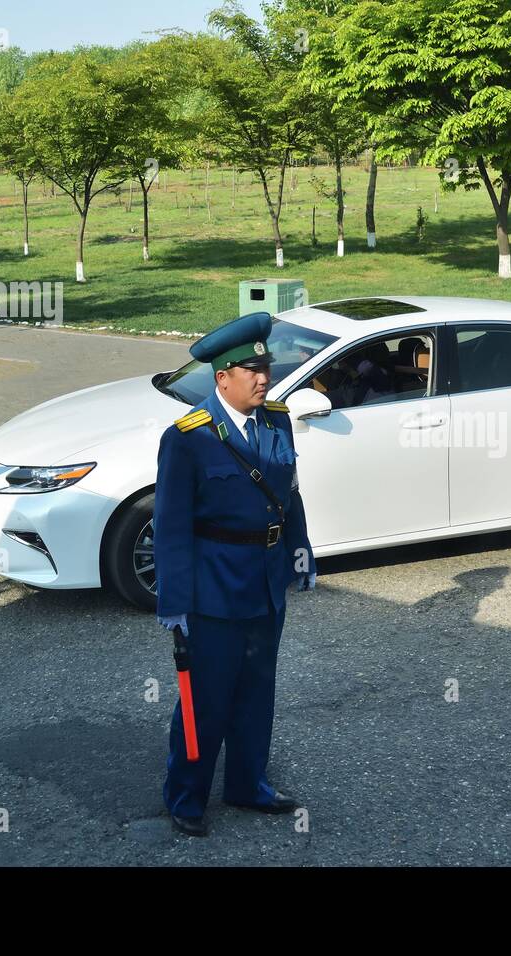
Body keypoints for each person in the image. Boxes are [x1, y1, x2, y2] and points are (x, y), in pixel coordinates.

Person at [154, 311, 316, 837]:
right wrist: (173, 601)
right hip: (214, 590)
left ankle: (248, 784)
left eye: (265, 367)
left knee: (256, 691)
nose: (263, 377)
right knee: (206, 699)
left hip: (267, 582)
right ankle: (187, 796)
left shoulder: (277, 419)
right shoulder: (188, 438)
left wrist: (300, 554)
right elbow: (171, 526)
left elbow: (288, 498)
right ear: (222, 377)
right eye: (251, 370)